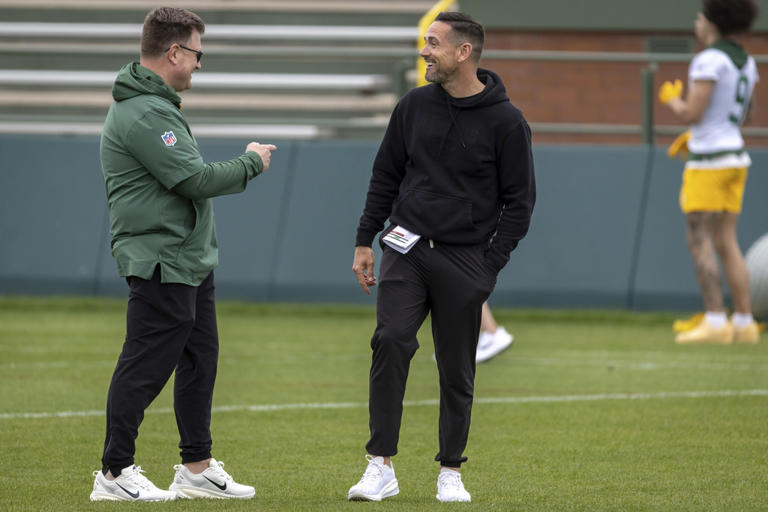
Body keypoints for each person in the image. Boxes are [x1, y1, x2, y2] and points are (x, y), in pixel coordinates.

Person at [90, 7, 277, 502]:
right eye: (197, 53)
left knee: (200, 360)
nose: (198, 64)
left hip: (187, 259)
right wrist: (250, 162)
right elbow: (193, 180)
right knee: (145, 364)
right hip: (160, 259)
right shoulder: (147, 112)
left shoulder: (156, 104)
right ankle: (113, 474)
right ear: (174, 51)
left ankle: (196, 467)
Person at [348, 11, 535, 502]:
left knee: (457, 369)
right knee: (390, 340)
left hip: (467, 261)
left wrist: (489, 266)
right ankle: (379, 466)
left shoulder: (507, 122)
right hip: (404, 251)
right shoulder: (412, 106)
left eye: (433, 43)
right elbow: (384, 174)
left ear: (463, 52)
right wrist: (366, 239)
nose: (424, 51)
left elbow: (520, 203)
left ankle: (450, 471)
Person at [659, 0, 760, 345]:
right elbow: (747, 115)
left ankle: (716, 320)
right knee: (726, 240)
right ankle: (744, 321)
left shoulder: (708, 59)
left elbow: (691, 112)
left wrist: (672, 100)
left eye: (701, 16)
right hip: (735, 156)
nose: (697, 21)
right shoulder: (745, 59)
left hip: (710, 161)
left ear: (713, 21)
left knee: (698, 238)